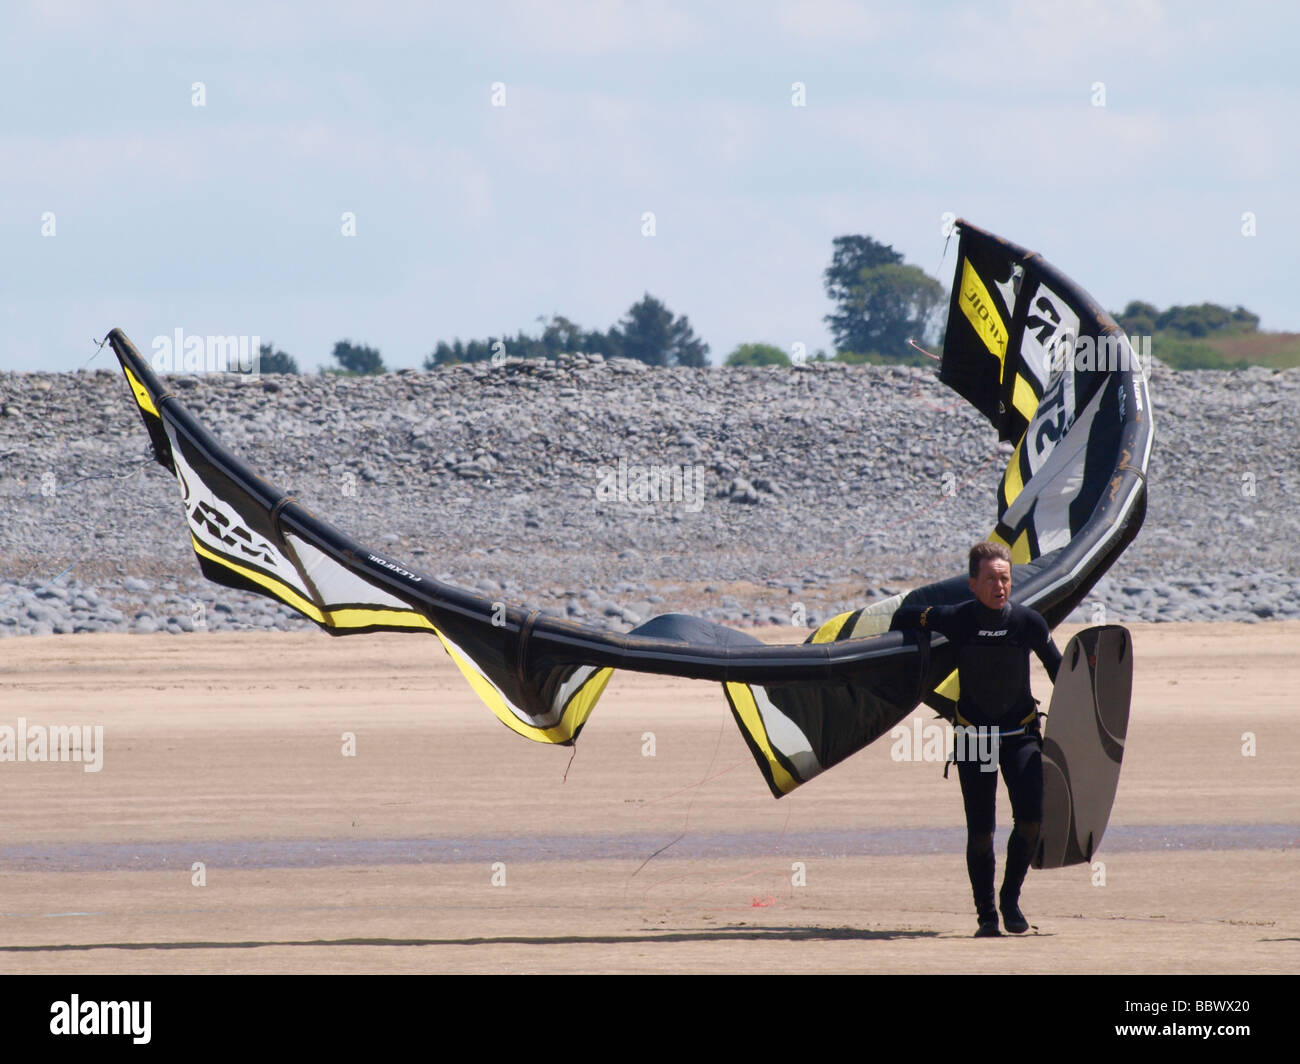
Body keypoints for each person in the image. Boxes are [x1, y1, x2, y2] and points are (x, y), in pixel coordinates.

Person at [913, 541, 1062, 937]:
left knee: (1031, 820)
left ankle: (1010, 900)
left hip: (1020, 734)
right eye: (992, 579)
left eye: (1005, 578)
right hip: (974, 738)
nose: (1000, 586)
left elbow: (1060, 671)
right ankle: (985, 916)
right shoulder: (957, 619)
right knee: (981, 832)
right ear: (973, 584)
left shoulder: (1028, 622)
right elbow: (909, 616)